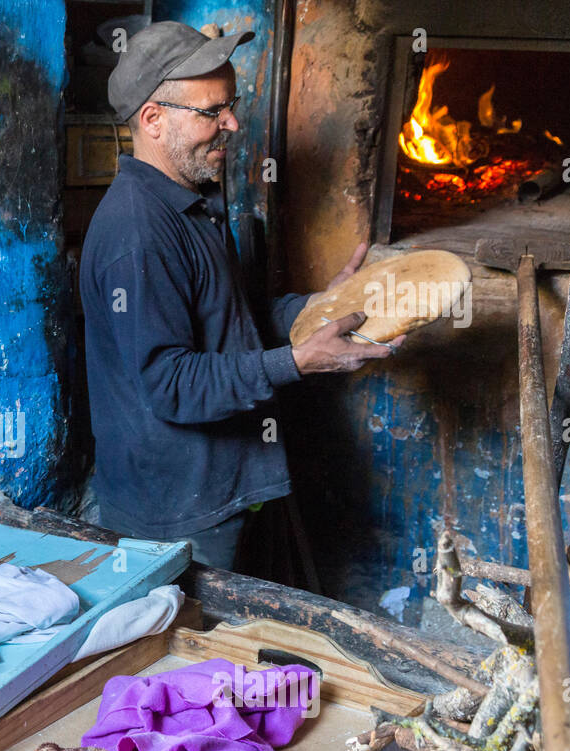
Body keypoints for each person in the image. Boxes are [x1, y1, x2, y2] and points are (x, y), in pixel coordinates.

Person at [79, 21, 403, 570]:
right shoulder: (139, 234)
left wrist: (317, 308)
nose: (231, 123)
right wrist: (297, 362)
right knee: (199, 652)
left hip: (221, 488)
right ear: (154, 120)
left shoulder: (191, 203)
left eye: (230, 105)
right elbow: (171, 384)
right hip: (176, 513)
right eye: (212, 112)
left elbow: (229, 320)